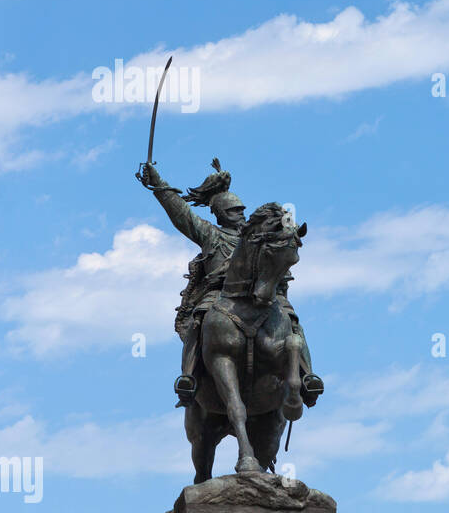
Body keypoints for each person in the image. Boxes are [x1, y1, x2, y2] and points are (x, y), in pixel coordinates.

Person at [138, 159, 322, 408]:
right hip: (219, 294)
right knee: (198, 320)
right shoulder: (210, 234)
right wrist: (158, 183)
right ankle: (189, 377)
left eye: (241, 210)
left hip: (265, 292)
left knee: (292, 321)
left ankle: (306, 375)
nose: (240, 214)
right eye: (234, 211)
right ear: (220, 213)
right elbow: (179, 212)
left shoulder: (258, 234)